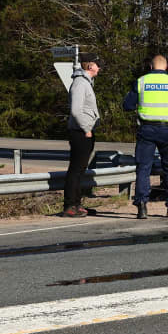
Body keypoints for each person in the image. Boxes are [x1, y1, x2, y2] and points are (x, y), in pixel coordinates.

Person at [123, 55, 168, 218]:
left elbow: (127, 105)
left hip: (146, 130)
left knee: (143, 169)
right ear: (167, 68)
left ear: (151, 67)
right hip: (167, 131)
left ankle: (141, 206)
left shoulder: (141, 81)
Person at [63, 54, 102, 217]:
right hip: (80, 132)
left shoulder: (85, 83)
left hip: (84, 132)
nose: (99, 68)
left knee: (80, 169)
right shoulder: (80, 84)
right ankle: (70, 205)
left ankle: (77, 204)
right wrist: (86, 128)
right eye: (97, 65)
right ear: (90, 66)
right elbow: (76, 110)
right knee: (76, 169)